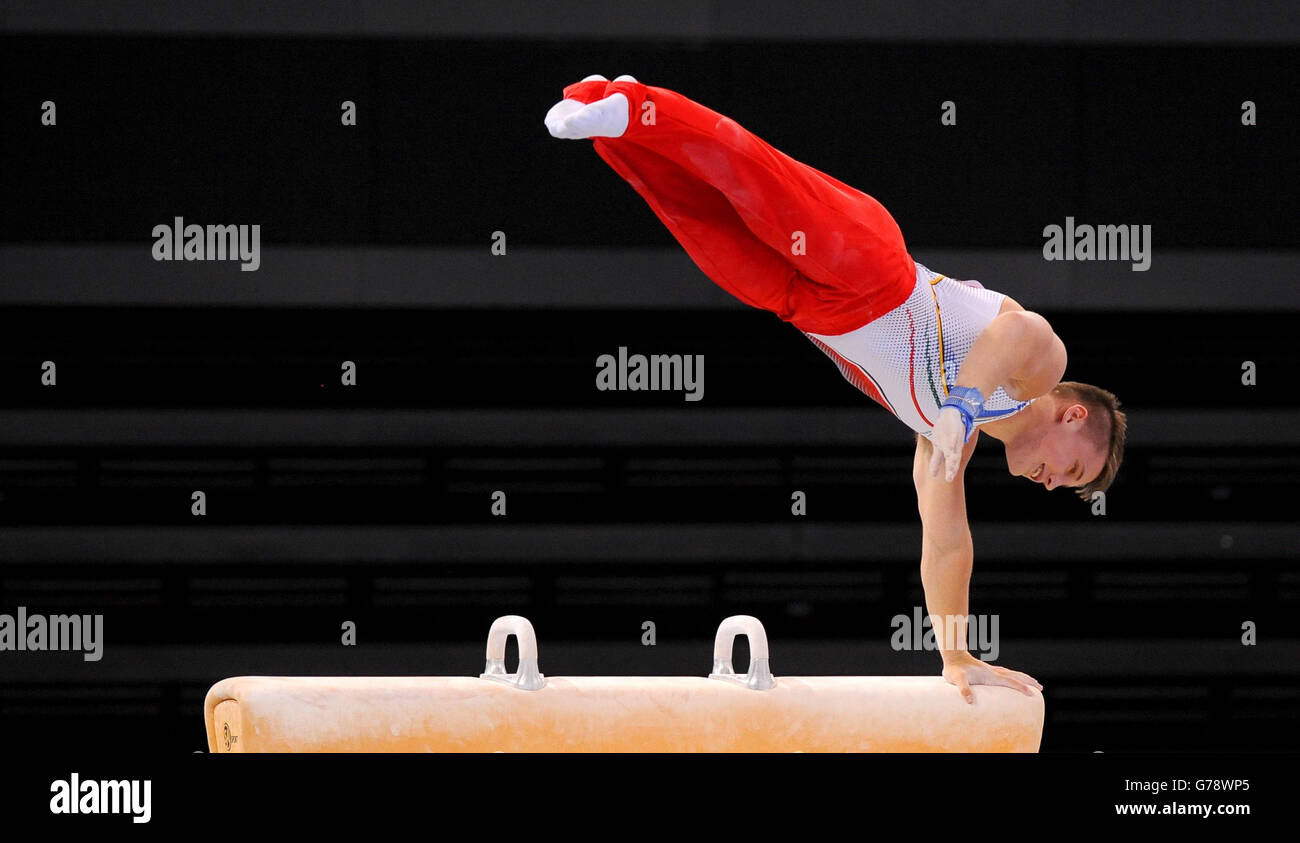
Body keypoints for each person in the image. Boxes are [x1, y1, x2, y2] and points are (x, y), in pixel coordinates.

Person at [546, 75, 1127, 702]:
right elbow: (1017, 330)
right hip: (872, 268)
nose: (1053, 484)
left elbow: (948, 543)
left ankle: (619, 125)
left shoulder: (944, 447)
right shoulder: (1036, 374)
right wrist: (961, 405)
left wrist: (957, 656)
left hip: (808, 310)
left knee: (696, 216)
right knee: (754, 180)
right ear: (1071, 418)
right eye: (1071, 472)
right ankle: (638, 104)